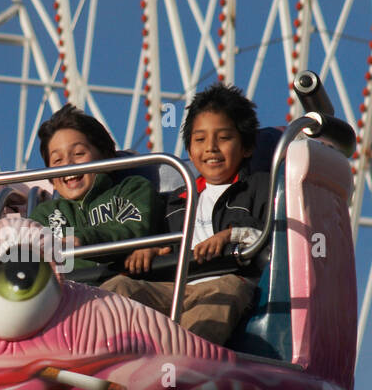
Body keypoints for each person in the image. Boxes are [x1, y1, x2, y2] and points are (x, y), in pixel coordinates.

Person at [102, 83, 268, 346]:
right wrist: (151, 250)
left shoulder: (260, 187)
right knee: (118, 287)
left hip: (225, 282)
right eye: (200, 140)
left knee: (223, 295)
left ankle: (182, 361)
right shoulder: (177, 200)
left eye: (223, 138)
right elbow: (165, 244)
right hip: (176, 286)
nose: (211, 148)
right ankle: (104, 357)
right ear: (190, 150)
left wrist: (229, 236)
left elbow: (270, 238)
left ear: (246, 147)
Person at [28, 105, 157, 273]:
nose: (68, 165)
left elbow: (134, 229)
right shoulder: (44, 214)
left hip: (120, 285)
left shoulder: (133, 190)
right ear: (51, 176)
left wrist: (83, 241)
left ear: (106, 156)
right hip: (67, 293)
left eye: (79, 154)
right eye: (57, 160)